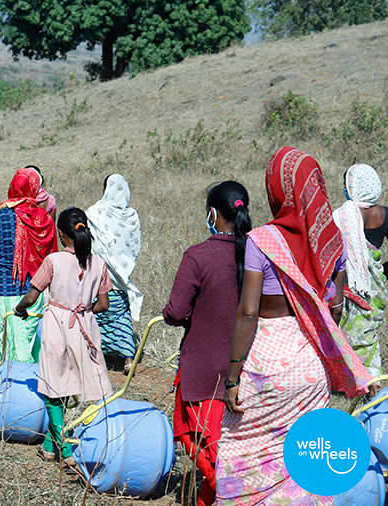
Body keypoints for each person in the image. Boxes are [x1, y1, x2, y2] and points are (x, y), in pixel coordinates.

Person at [218, 147, 371, 506]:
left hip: (265, 368)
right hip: (311, 369)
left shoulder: (261, 240)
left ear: (277, 189)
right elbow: (335, 307)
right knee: (305, 464)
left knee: (244, 454)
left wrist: (232, 377)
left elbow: (248, 314)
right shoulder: (333, 241)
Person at [162, 181, 251, 506]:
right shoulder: (259, 252)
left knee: (201, 443)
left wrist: (173, 313)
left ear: (213, 214)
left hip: (204, 373)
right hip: (248, 369)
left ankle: (235, 496)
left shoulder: (198, 256)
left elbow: (175, 312)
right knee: (230, 450)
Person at [14, 207, 113, 470]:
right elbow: (104, 304)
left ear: (60, 234)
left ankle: (65, 449)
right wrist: (85, 310)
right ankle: (49, 447)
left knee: (52, 387)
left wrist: (19, 309)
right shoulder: (98, 263)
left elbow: (31, 297)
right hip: (84, 327)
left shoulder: (53, 261)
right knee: (70, 385)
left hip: (58, 326)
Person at [0, 167, 57, 363]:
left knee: (7, 342)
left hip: (2, 291)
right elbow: (51, 258)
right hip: (33, 294)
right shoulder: (43, 219)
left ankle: (12, 378)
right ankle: (34, 377)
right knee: (27, 342)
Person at [333, 163, 386, 384]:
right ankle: (372, 381)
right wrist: (382, 272)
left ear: (353, 188)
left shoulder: (342, 216)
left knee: (348, 332)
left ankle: (359, 382)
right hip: (374, 286)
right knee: (368, 333)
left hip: (346, 284)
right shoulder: (384, 214)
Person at [85, 174, 143, 371]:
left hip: (98, 276)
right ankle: (128, 359)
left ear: (105, 191)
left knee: (96, 314)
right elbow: (133, 246)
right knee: (121, 316)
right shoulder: (131, 217)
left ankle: (96, 354)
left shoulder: (93, 213)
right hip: (121, 277)